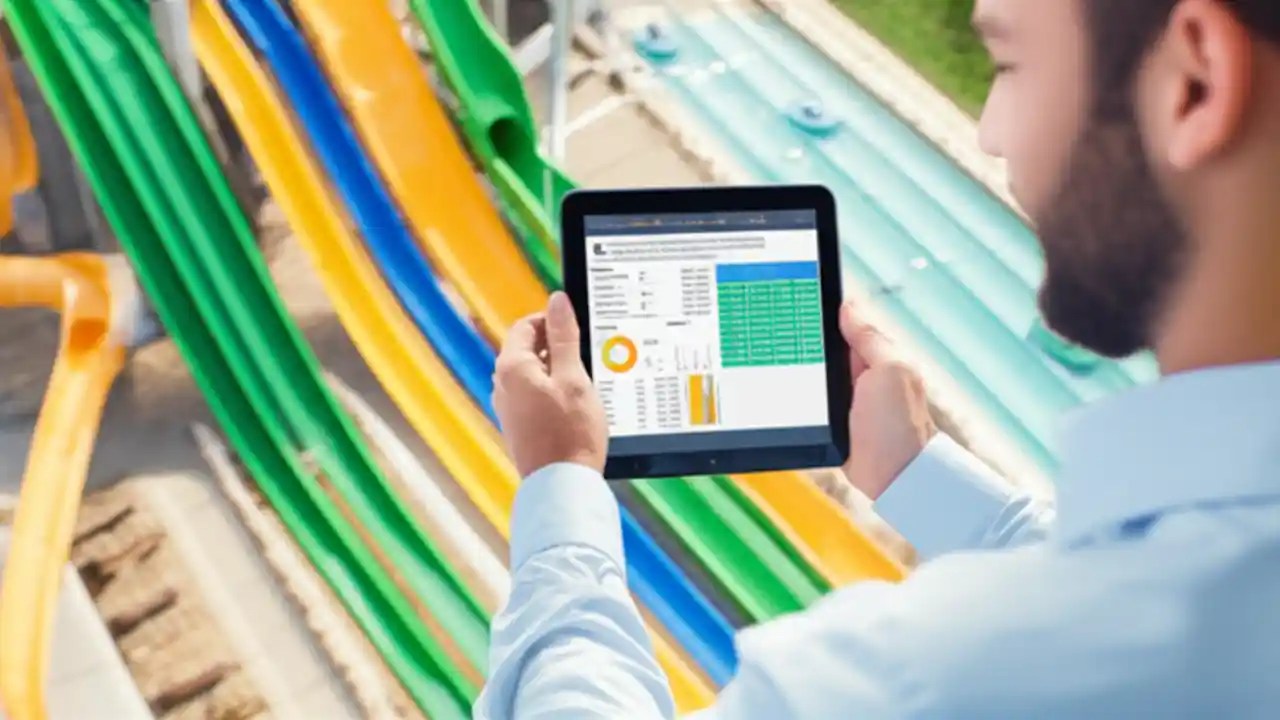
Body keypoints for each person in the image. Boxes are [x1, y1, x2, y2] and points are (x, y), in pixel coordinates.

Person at [477, 0, 1280, 716]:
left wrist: (561, 488)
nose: (990, 134)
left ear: (1195, 82)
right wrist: (916, 470)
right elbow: (1109, 590)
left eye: (1009, 64)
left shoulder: (907, 683)